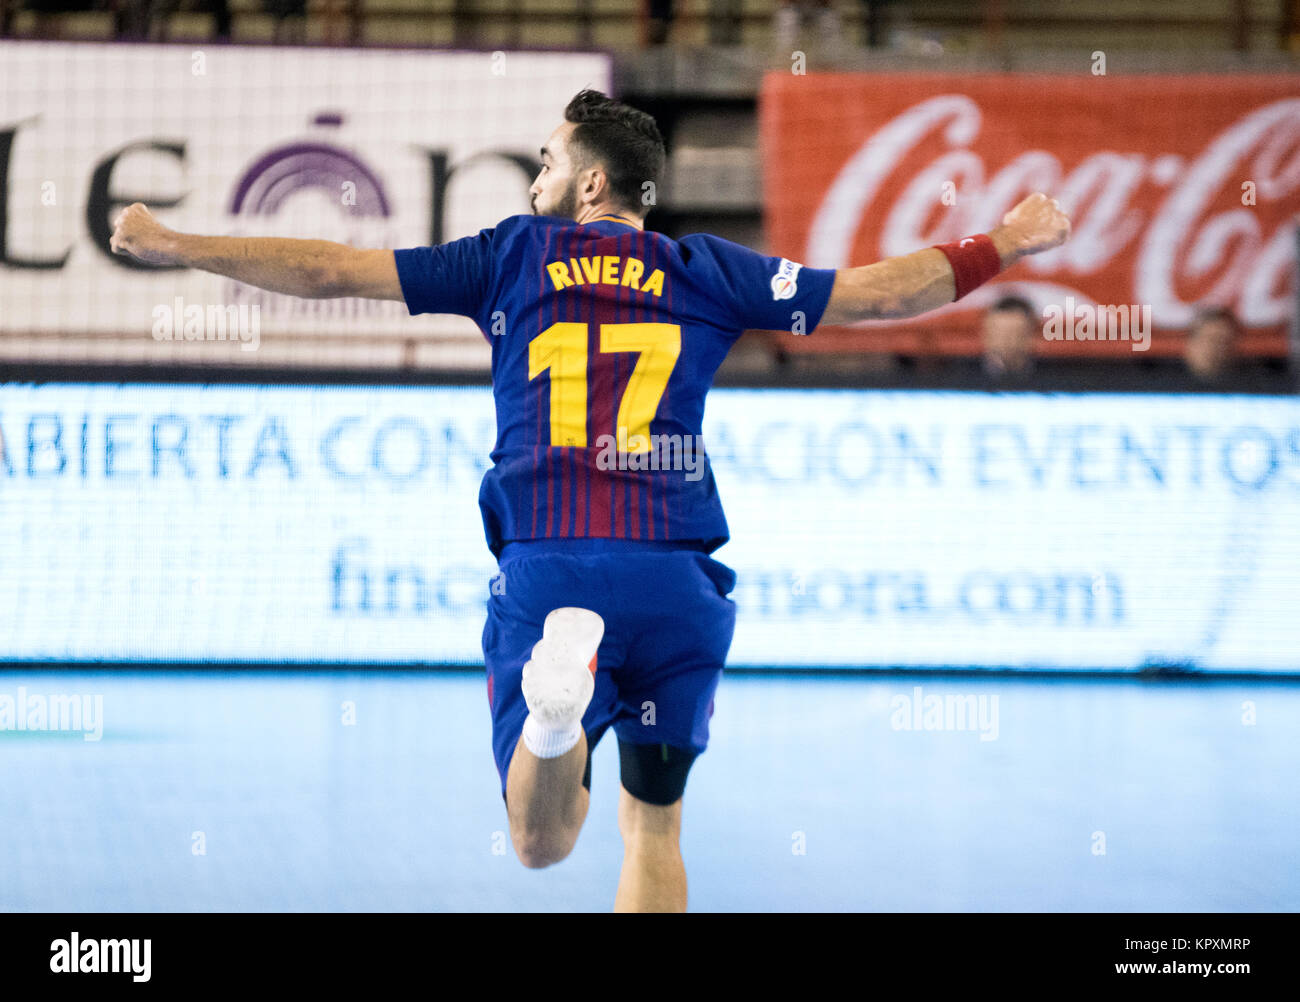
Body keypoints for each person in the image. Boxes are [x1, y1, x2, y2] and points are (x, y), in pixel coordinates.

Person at [108, 89, 1070, 911]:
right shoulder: (710, 270)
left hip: (550, 560)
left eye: (546, 161)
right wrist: (1010, 240)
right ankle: (562, 716)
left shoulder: (514, 256)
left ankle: (553, 718)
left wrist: (174, 242)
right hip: (674, 577)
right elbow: (878, 295)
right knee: (654, 825)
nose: (534, 181)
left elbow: (325, 270)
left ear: (592, 185)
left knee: (539, 845)